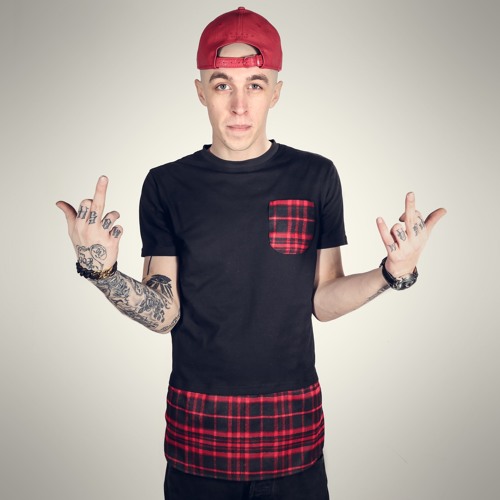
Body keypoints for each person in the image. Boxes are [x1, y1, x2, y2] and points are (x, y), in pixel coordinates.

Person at [56, 6, 446, 500]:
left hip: (293, 427)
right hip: (199, 429)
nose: (239, 105)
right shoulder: (166, 185)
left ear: (276, 92)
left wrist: (393, 273)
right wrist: (102, 271)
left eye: (255, 85)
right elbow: (164, 312)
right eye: (222, 85)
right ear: (201, 91)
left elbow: (324, 300)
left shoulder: (316, 176)